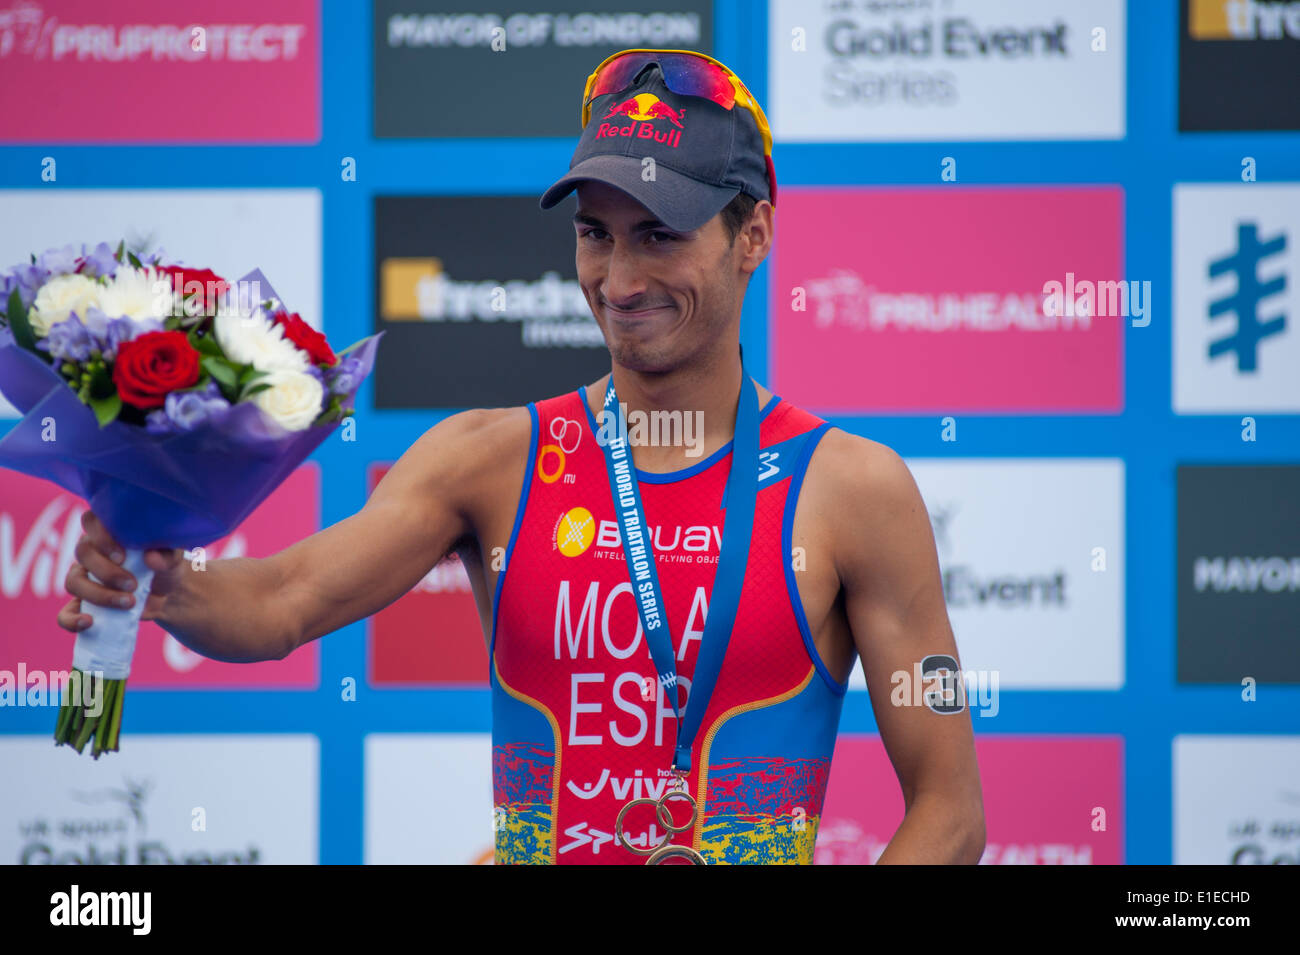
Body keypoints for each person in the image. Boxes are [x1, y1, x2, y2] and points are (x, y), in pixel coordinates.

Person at [58, 49, 984, 865]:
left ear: (755, 236)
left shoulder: (852, 490)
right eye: (595, 234)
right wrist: (167, 585)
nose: (620, 280)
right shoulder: (489, 460)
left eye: (659, 235)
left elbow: (949, 812)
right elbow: (283, 600)